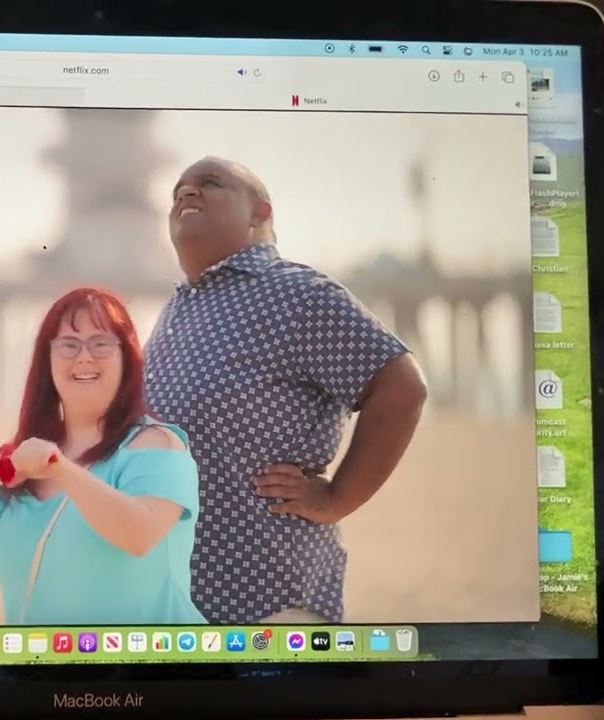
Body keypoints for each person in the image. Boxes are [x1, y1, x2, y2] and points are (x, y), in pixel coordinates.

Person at [143, 156, 430, 625]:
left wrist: (337, 498)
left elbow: (400, 387)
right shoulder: (179, 306)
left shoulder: (296, 294)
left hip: (267, 604)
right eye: (178, 191)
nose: (187, 193)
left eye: (210, 183)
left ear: (260, 212)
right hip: (177, 604)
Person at [0, 287, 206, 625]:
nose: (84, 357)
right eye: (69, 345)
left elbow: (139, 534)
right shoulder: (26, 454)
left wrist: (61, 470)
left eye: (100, 344)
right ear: (46, 360)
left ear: (127, 358)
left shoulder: (156, 444)